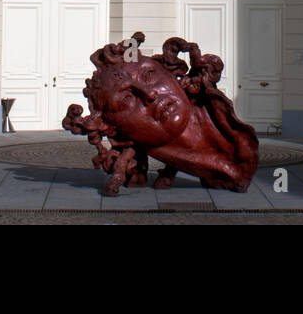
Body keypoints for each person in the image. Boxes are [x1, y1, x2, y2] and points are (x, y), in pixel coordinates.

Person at [63, 33, 259, 195]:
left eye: (149, 75)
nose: (150, 94)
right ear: (113, 129)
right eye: (126, 101)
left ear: (168, 72)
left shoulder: (234, 138)